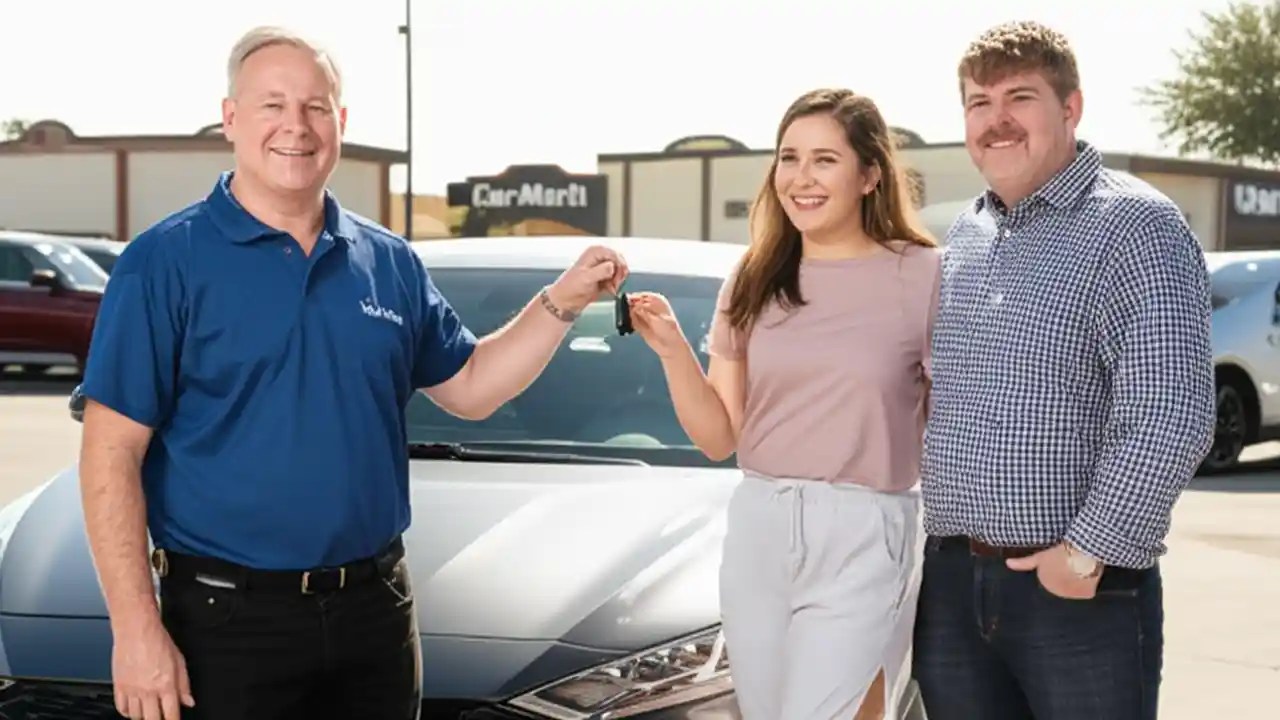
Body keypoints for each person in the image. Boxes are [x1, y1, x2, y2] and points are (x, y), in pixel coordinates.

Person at [77, 26, 626, 720]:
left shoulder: (388, 261)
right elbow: (110, 453)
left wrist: (563, 303)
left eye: (315, 106)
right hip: (225, 623)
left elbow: (472, 387)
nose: (295, 127)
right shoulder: (163, 262)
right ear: (230, 119)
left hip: (376, 616)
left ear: (340, 122)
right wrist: (133, 630)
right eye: (272, 104)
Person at [913, 20, 1215, 720]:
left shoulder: (1137, 227)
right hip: (954, 589)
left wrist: (1086, 554)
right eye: (978, 103)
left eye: (1019, 97)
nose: (996, 121)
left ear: (1070, 107)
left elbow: (1171, 413)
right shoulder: (966, 233)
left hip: (1079, 594)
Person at [627, 88, 940, 720]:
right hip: (759, 525)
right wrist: (670, 352)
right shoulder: (753, 276)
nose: (801, 178)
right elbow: (720, 437)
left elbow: (961, 421)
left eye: (825, 159)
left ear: (870, 174)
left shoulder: (926, 274)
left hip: (864, 528)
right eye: (789, 157)